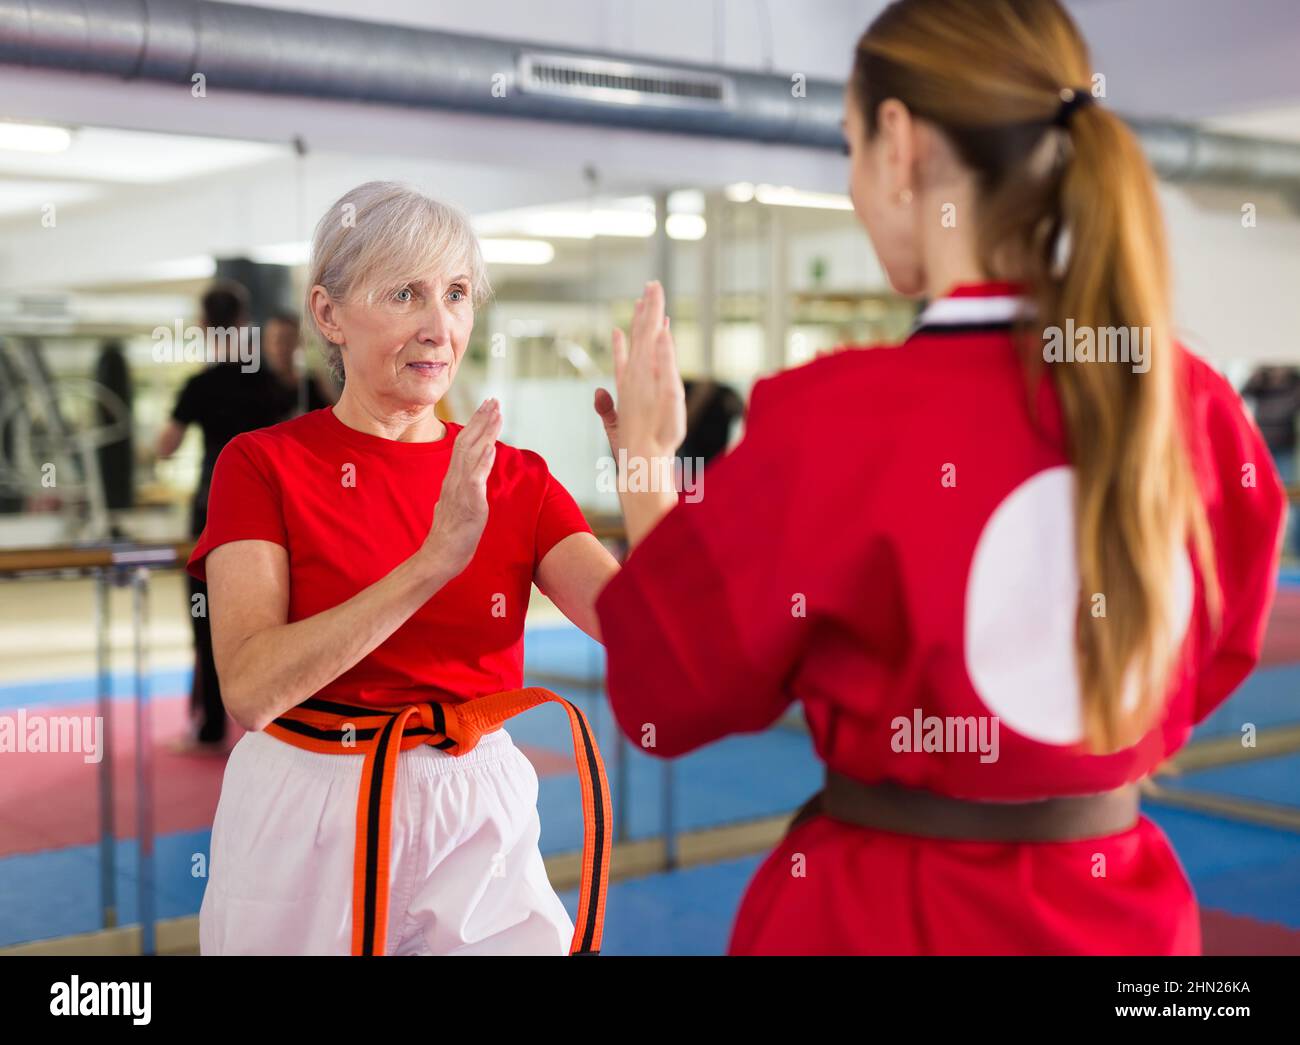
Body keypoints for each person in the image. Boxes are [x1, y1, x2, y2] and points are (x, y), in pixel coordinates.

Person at [592, 0, 1286, 955]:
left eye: (846, 146)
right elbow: (1213, 652)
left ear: (897, 141)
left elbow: (671, 691)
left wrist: (644, 465)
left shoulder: (831, 419)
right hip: (1131, 923)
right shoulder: (1199, 406)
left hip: (884, 922)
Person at [187, 181, 637, 955]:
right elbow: (253, 688)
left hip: (477, 802)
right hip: (310, 805)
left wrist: (650, 478)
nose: (439, 327)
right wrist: (433, 562)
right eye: (405, 293)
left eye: (457, 294)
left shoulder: (513, 477)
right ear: (329, 315)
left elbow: (652, 636)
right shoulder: (264, 465)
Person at [158, 281, 292, 754]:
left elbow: (166, 446)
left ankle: (212, 728)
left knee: (208, 620)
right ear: (245, 319)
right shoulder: (272, 382)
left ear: (202, 325)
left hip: (213, 513)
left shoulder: (200, 385)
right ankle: (282, 721)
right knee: (278, 618)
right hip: (274, 514)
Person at [1243, 365, 1299, 557]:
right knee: (1255, 493)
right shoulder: (1260, 378)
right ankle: (1259, 541)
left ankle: (1291, 546)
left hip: (1284, 446)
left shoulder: (1294, 381)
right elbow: (1242, 394)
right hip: (1261, 446)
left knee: (1287, 496)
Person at [263, 309, 338, 414]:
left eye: (288, 340)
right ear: (265, 343)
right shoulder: (256, 384)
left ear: (298, 342)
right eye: (275, 340)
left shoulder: (311, 385)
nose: (281, 348)